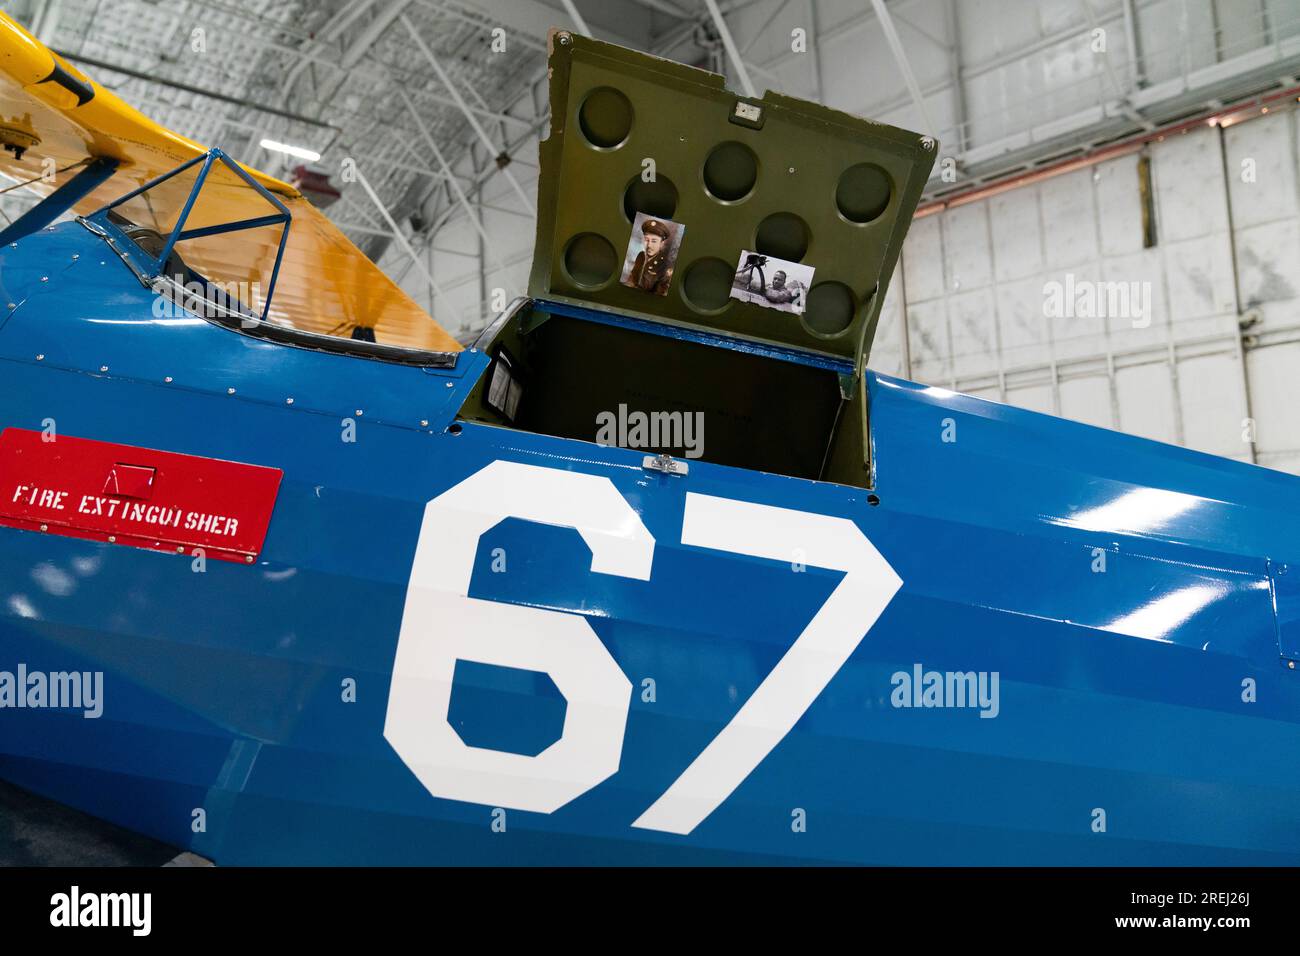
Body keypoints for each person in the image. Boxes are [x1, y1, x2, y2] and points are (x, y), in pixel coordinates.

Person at [625, 218, 675, 295]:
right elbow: (632, 278)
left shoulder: (665, 265)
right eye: (646, 240)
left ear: (662, 243)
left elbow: (660, 294)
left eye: (654, 241)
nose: (649, 245)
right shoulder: (641, 255)